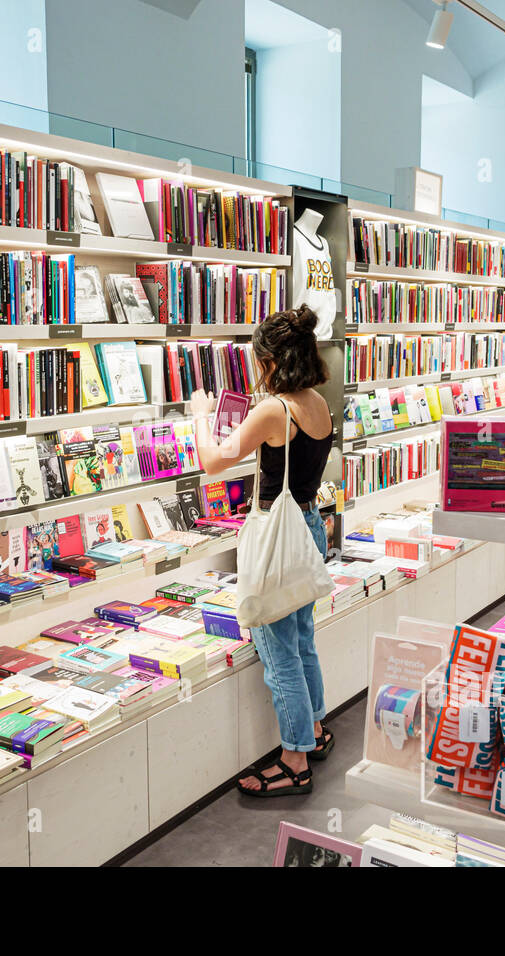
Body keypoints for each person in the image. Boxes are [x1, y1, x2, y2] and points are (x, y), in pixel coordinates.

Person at [191, 305, 334, 797]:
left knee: (279, 656)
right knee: (304, 638)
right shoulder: (316, 402)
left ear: (271, 360)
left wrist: (200, 419)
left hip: (277, 535)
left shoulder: (275, 409)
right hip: (309, 527)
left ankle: (294, 760)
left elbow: (213, 461)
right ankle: (314, 731)